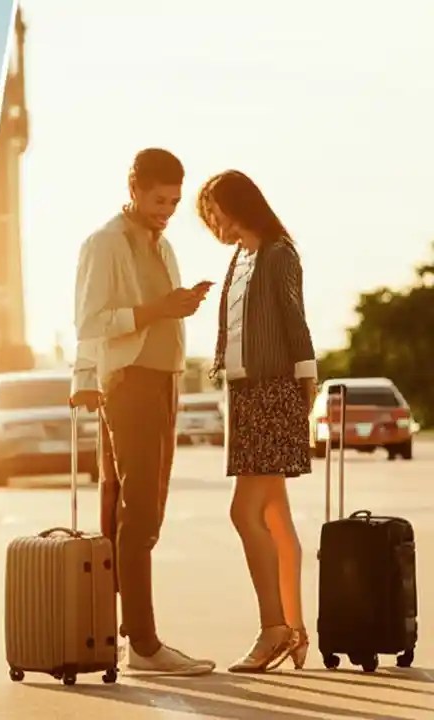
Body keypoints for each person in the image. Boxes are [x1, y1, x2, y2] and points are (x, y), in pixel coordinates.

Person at [70, 148, 215, 675]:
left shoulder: (164, 243)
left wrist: (179, 305)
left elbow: (155, 314)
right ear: (134, 188)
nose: (167, 210)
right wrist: (161, 308)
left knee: (146, 510)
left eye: (174, 202)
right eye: (159, 200)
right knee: (139, 513)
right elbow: (90, 320)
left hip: (165, 380)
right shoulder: (105, 242)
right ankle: (146, 645)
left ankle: (128, 634)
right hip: (130, 383)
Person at [196, 170, 315, 672]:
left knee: (244, 514)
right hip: (245, 396)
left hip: (275, 392)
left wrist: (304, 388)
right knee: (273, 517)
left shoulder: (277, 253)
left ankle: (274, 630)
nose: (212, 225)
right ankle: (295, 627)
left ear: (234, 205)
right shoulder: (239, 259)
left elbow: (295, 319)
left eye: (213, 214)